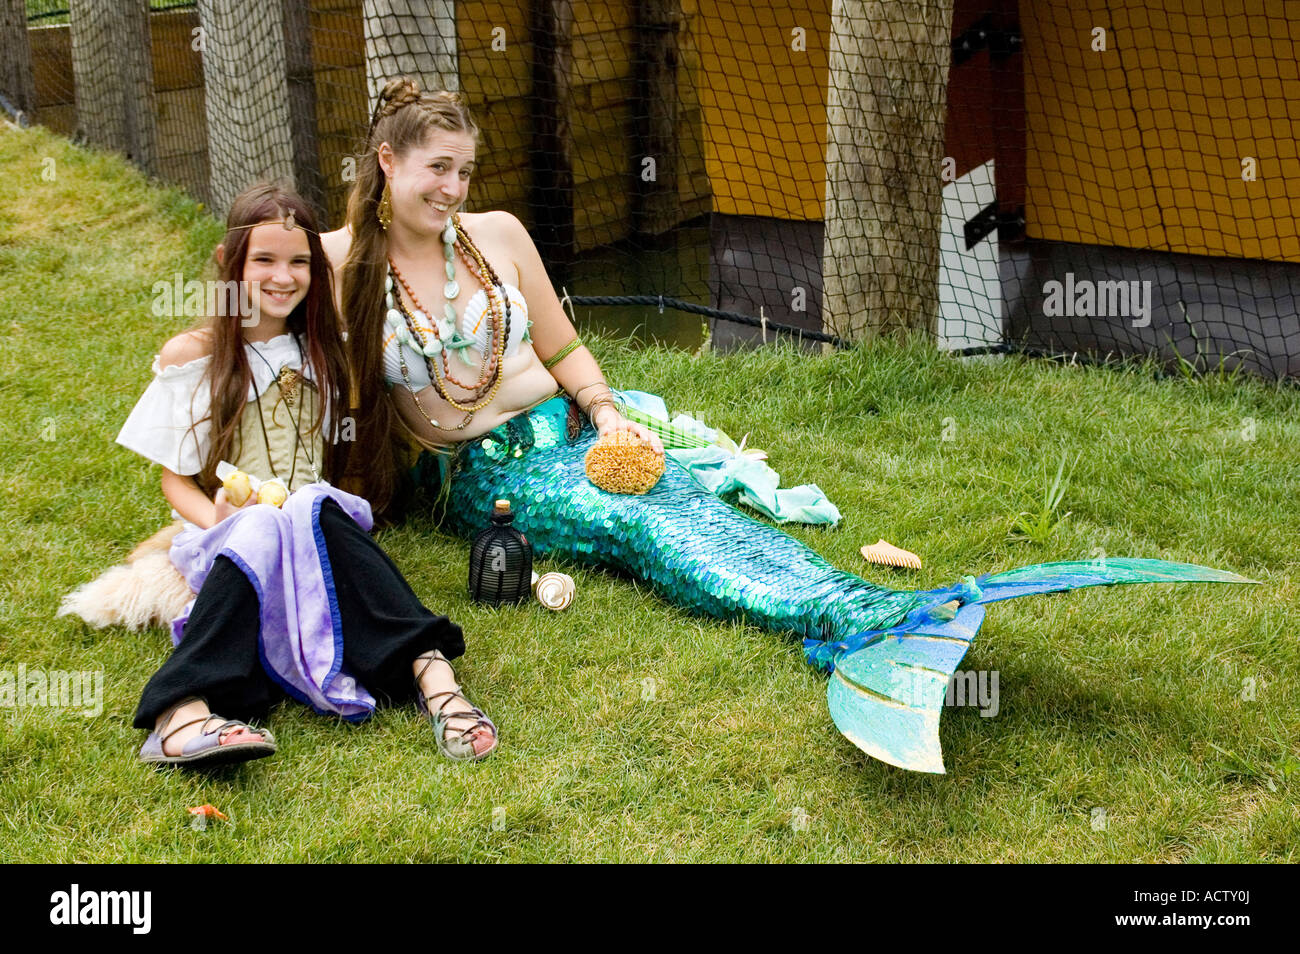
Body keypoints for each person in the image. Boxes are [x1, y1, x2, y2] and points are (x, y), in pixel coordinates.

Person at [325, 78, 926, 656]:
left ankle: (866, 600)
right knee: (629, 520)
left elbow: (562, 349)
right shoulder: (339, 259)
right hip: (484, 475)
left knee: (683, 496)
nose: (452, 189)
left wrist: (608, 416)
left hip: (571, 428)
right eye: (437, 168)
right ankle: (838, 618)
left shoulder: (498, 234)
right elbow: (262, 317)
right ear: (388, 160)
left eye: (464, 172)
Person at [118, 182, 497, 767]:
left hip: (308, 521)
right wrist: (217, 518)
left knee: (313, 506)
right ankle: (179, 712)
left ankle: (436, 683)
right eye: (263, 260)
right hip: (225, 532)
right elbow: (174, 480)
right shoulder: (191, 356)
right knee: (262, 527)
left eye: (299, 261)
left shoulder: (326, 350)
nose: (282, 276)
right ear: (229, 263)